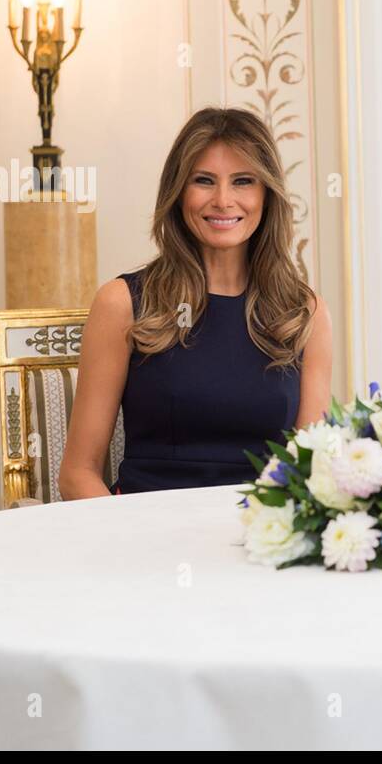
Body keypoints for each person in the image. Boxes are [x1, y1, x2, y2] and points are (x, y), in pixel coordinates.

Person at [59, 107, 332, 498]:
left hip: (258, 540)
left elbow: (309, 474)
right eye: (204, 181)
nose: (223, 200)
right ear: (178, 192)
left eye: (243, 181)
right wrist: (130, 549)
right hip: (146, 535)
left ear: (266, 194)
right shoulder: (123, 303)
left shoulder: (306, 314)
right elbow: (77, 474)